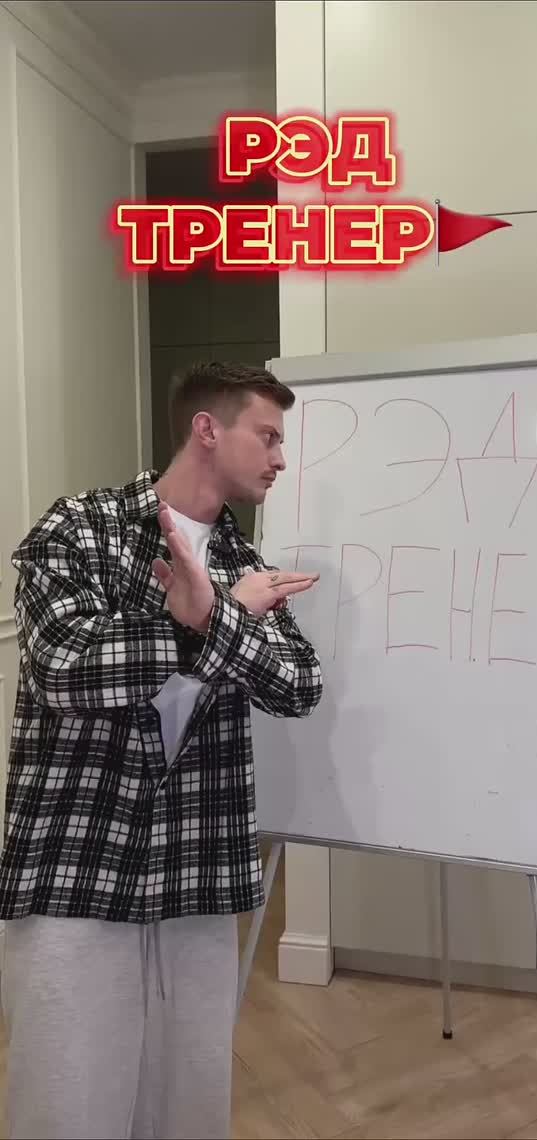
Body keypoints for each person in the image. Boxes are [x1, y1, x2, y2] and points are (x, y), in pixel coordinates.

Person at [0, 361, 323, 1140]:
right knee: (67, 1103)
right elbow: (63, 666)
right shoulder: (81, 527)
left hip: (196, 864)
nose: (281, 459)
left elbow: (298, 685)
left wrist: (217, 616)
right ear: (207, 429)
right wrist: (191, 625)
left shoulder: (247, 567)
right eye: (268, 436)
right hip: (77, 857)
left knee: (188, 1104)